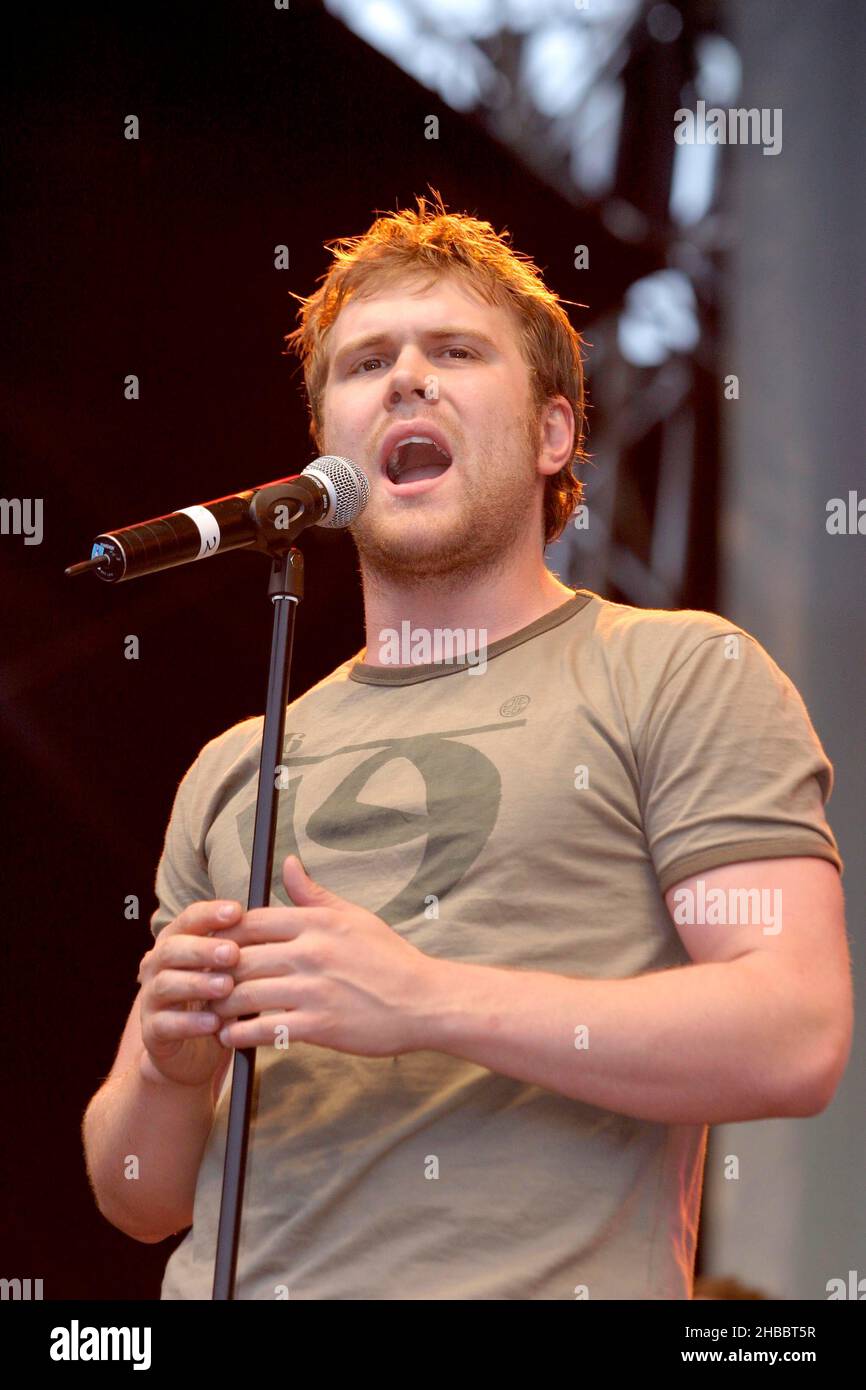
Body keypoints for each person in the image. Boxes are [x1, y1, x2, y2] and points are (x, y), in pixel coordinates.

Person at [82, 191, 852, 1300]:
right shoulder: (235, 761)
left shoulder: (674, 672)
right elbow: (139, 1194)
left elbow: (792, 1031)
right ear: (328, 452)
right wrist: (166, 1063)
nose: (404, 377)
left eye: (453, 349)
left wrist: (426, 1001)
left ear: (553, 432)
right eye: (363, 364)